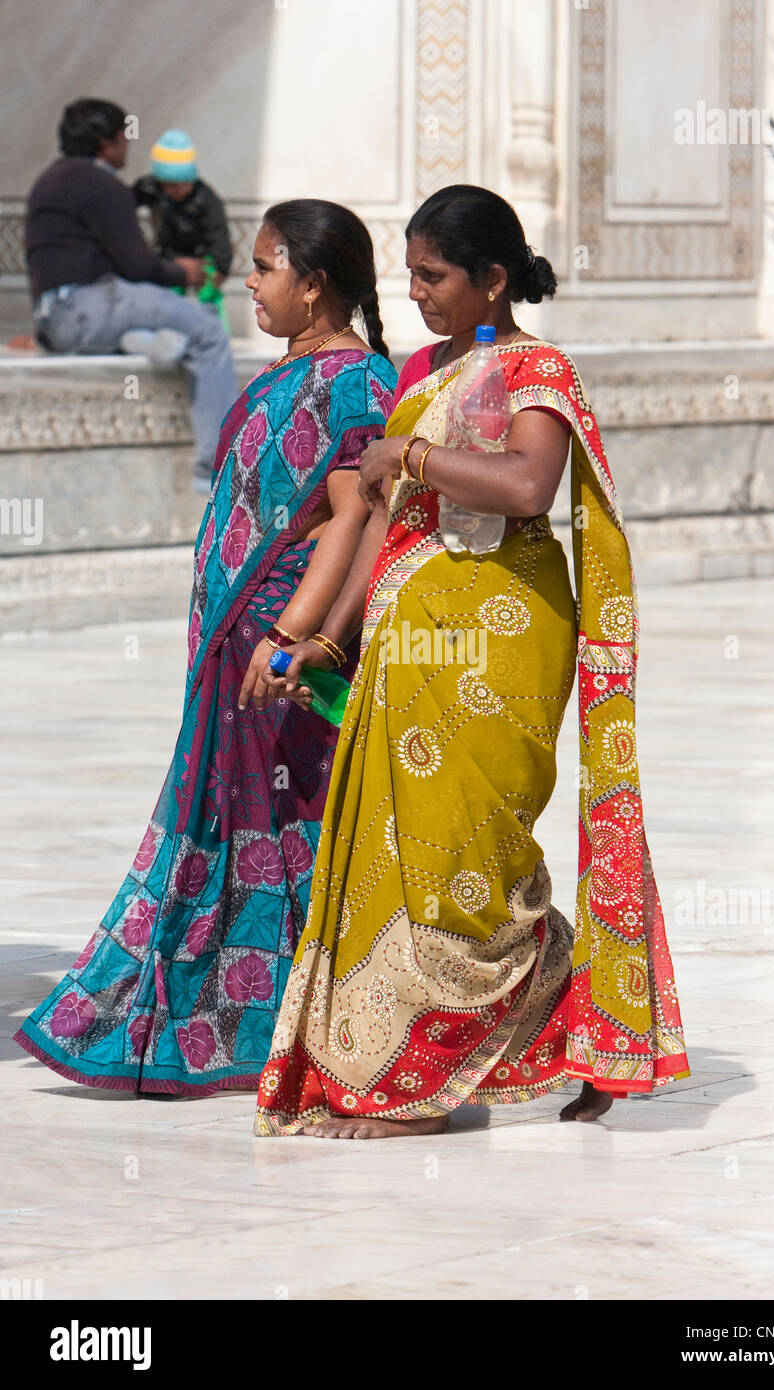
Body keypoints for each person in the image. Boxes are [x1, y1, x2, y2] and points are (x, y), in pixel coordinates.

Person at [254, 184, 690, 1139]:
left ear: (494, 278)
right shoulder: (419, 374)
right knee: (404, 854)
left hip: (500, 637)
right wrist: (329, 640)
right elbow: (384, 520)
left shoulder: (540, 368)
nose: (416, 293)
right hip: (412, 637)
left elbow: (529, 485)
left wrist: (411, 458)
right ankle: (562, 1017)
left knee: (466, 854)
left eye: (435, 275)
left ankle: (422, 1091)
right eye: (410, 275)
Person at [14, 199, 397, 1094]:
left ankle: (287, 1017)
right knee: (238, 822)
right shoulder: (285, 373)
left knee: (275, 825)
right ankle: (259, 1015)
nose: (249, 284)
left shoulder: (357, 382)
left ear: (317, 284)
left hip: (269, 643)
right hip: (229, 641)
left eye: (266, 270)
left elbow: (350, 520)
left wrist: (292, 635)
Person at [25, 99, 237, 492]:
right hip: (90, 307)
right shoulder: (104, 185)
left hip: (53, 322)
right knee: (208, 332)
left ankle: (150, 340)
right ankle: (216, 469)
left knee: (158, 324)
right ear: (107, 144)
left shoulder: (48, 180)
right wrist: (184, 272)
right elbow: (138, 268)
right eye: (124, 136)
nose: (127, 144)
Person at [133, 129, 233, 334]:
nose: (178, 190)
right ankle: (164, 332)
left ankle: (217, 333)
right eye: (170, 185)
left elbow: (219, 234)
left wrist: (221, 268)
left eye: (184, 184)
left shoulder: (205, 199)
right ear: (160, 181)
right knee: (166, 293)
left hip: (203, 257)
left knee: (208, 296)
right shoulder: (150, 189)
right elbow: (123, 204)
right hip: (169, 255)